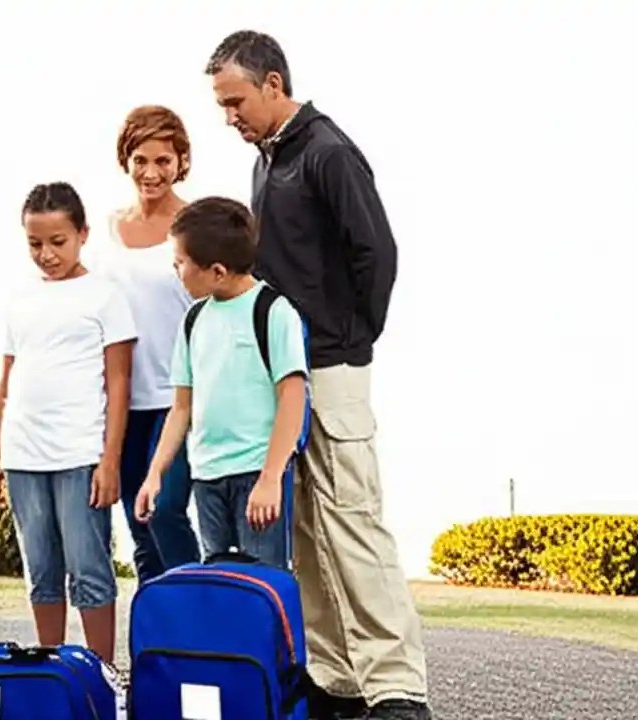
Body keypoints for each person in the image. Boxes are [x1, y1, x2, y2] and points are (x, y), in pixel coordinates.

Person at [201, 29, 431, 720]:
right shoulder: (267, 164)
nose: (229, 115)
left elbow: (377, 254)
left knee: (353, 522)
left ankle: (396, 687)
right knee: (307, 530)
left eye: (235, 100)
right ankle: (337, 680)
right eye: (220, 105)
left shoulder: (327, 153)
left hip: (332, 366)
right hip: (284, 375)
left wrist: (349, 340)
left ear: (274, 84)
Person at [0, 181, 135, 665]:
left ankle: (102, 676)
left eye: (57, 242)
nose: (46, 254)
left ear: (83, 234)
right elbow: (5, 385)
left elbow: (120, 384)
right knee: (41, 570)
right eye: (34, 243)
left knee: (89, 569)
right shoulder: (19, 300)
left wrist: (110, 461)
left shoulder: (105, 296)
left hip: (79, 454)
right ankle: (50, 675)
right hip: (24, 455)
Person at [133, 196, 308, 571]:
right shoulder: (193, 320)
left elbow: (293, 400)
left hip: (256, 476)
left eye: (180, 263)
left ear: (216, 271)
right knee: (221, 591)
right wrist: (155, 473)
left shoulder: (274, 313)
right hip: (207, 477)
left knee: (262, 591)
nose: (175, 270)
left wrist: (270, 477)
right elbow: (182, 408)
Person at [86, 105, 201, 585]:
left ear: (181, 161)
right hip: (119, 401)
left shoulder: (194, 225)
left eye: (163, 160)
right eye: (140, 159)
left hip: (177, 398)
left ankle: (198, 612)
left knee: (167, 509)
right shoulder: (107, 230)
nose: (151, 172)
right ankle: (159, 639)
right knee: (137, 522)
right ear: (125, 160)